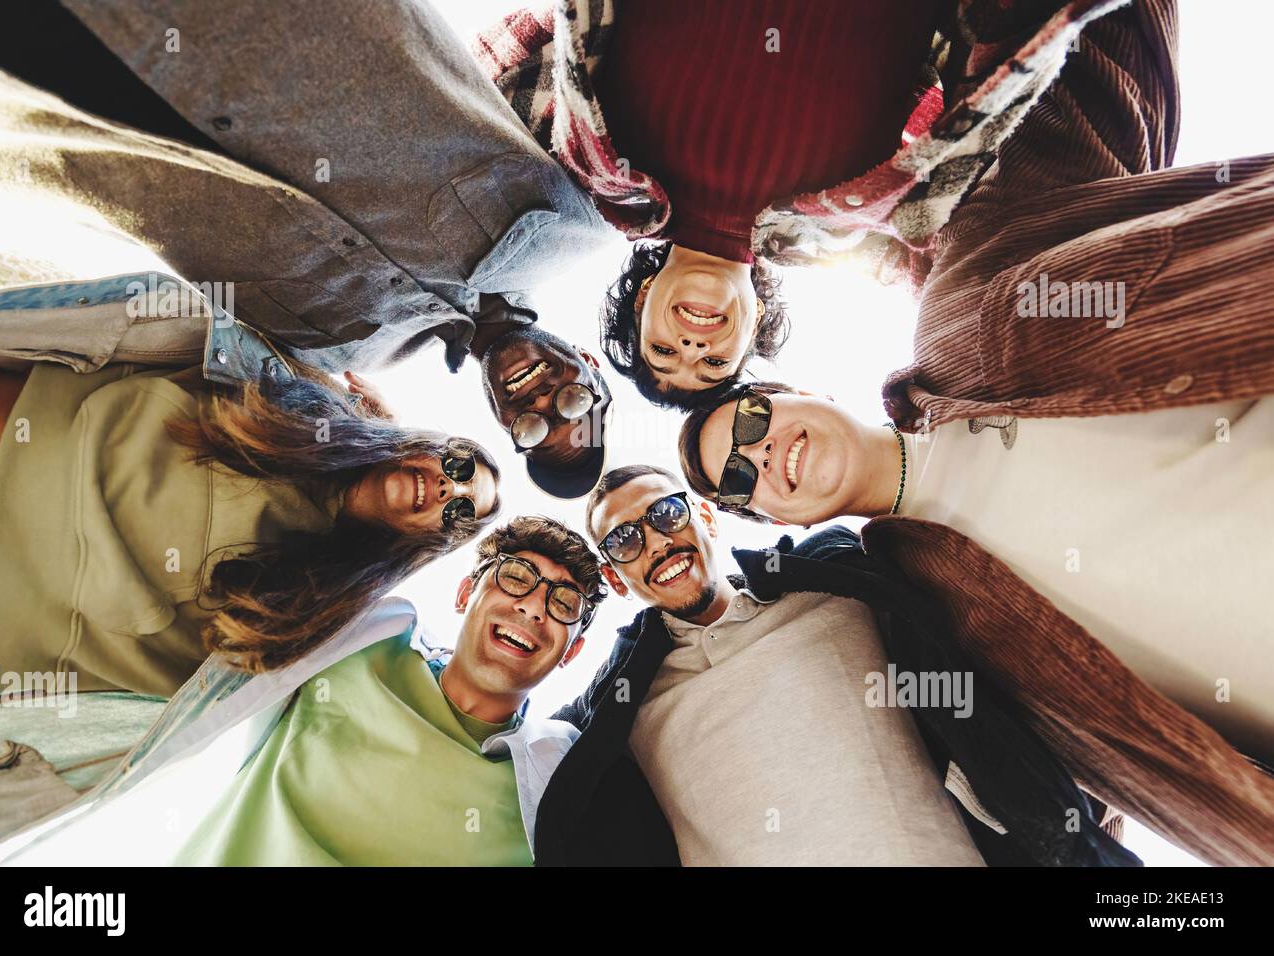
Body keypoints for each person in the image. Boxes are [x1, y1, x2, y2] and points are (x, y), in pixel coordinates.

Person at [0, 0, 615, 497]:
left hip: (64, 107)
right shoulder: (573, 218)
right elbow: (572, 40)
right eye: (572, 403)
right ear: (588, 364)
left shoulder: (344, 352)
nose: (540, 403)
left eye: (531, 429)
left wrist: (347, 421)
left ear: (504, 423)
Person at [679, 378, 1274, 865]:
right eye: (738, 480)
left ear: (810, 392)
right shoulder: (929, 619)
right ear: (786, 521)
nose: (758, 453)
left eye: (752, 420)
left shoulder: (975, 364)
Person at [475, 0, 1128, 408]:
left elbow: (478, 91)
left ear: (643, 306)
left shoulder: (597, 181)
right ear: (754, 324)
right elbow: (955, 283)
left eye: (664, 351)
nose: (692, 345)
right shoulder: (849, 238)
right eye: (713, 362)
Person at [535, 464, 1136, 866]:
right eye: (624, 541)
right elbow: (510, 734)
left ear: (707, 517)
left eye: (666, 513)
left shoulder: (834, 580)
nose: (657, 541)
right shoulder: (618, 703)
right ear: (616, 577)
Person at [0, 351, 500, 699]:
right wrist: (360, 418)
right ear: (433, 448)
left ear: (430, 538)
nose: (448, 490)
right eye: (457, 467)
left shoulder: (322, 605)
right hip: (3, 430)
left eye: (459, 512)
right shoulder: (309, 406)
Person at [175, 516, 606, 866]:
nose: (532, 607)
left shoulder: (552, 790)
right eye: (515, 577)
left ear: (573, 651)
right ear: (464, 593)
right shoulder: (362, 642)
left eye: (564, 604)